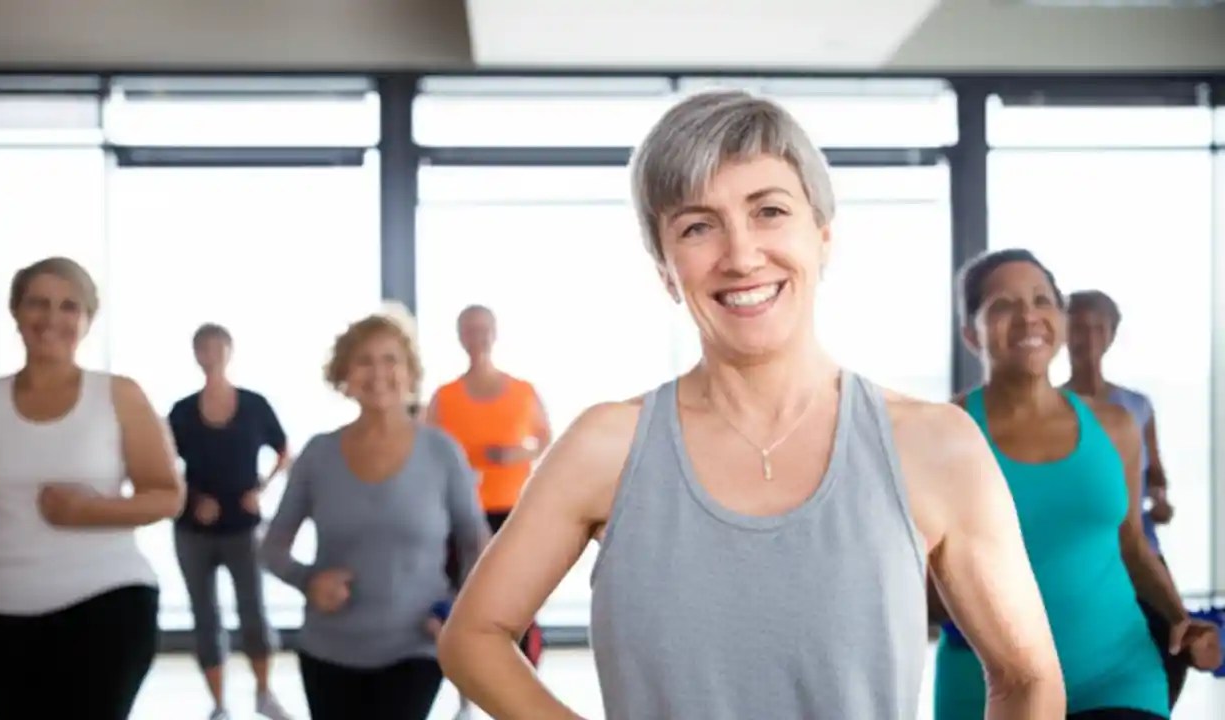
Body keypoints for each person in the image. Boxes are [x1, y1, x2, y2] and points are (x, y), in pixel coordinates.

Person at [438, 89, 1067, 719]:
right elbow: (473, 637)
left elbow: (1026, 678)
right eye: (697, 226)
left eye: (768, 211)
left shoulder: (935, 445)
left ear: (823, 238)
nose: (740, 256)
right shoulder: (607, 446)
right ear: (665, 271)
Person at [932, 249, 1221, 719]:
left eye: (1042, 301)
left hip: (1116, 672)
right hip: (988, 686)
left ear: (1060, 322)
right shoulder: (942, 431)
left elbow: (1131, 544)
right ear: (970, 333)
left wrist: (1180, 619)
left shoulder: (1116, 424)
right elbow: (915, 570)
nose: (1028, 316)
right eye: (1003, 305)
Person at [0, 256, 184, 719]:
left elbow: (168, 496)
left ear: (87, 319)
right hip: (3, 608)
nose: (52, 318)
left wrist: (88, 512)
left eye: (69, 306)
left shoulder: (119, 395)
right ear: (16, 311)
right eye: (38, 303)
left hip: (109, 602)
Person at [262, 312, 488, 720]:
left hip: (416, 647)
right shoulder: (318, 455)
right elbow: (273, 548)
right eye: (364, 360)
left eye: (391, 359)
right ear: (343, 374)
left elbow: (477, 544)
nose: (378, 372)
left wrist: (452, 609)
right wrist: (308, 580)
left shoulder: (442, 453)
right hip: (326, 649)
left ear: (410, 372)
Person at [1063, 289, 1189, 709]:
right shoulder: (1052, 407)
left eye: (1098, 327)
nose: (1088, 336)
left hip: (1142, 550)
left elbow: (1155, 475)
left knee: (1174, 647)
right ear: (1062, 332)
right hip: (1087, 558)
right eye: (1078, 326)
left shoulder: (1136, 405)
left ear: (1112, 335)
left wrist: (1161, 501)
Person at [168, 323, 292, 720]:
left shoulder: (254, 405)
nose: (211, 354)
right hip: (193, 530)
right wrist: (191, 499)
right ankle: (219, 704)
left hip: (244, 527)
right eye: (203, 347)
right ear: (195, 354)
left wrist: (261, 489)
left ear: (229, 351)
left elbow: (284, 451)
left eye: (217, 346)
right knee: (205, 615)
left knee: (253, 610)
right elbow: (164, 466)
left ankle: (263, 692)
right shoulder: (183, 411)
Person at [427, 304, 551, 665]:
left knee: (518, 598)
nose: (476, 337)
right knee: (461, 599)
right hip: (460, 515)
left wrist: (517, 454)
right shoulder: (444, 396)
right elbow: (426, 451)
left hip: (513, 511)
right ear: (459, 336)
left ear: (494, 334)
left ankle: (526, 683)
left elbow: (545, 440)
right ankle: (466, 685)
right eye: (468, 329)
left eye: (482, 329)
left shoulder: (522, 391)